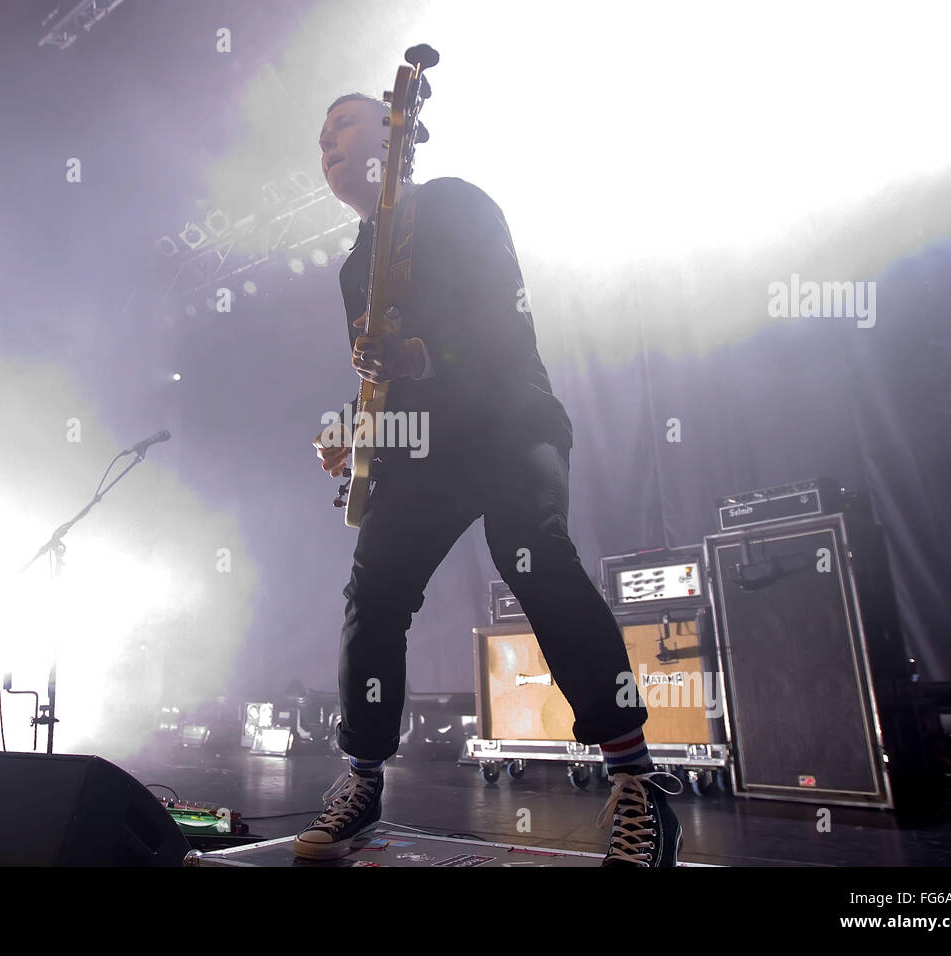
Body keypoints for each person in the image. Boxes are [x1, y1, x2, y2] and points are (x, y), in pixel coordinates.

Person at [296, 92, 684, 866]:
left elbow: (504, 324)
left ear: (396, 129)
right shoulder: (350, 270)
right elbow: (382, 381)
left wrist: (417, 355)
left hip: (510, 421)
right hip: (422, 451)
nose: (327, 141)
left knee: (531, 552)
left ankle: (637, 782)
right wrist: (353, 426)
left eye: (342, 122)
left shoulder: (455, 205)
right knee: (372, 594)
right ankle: (362, 779)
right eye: (320, 136)